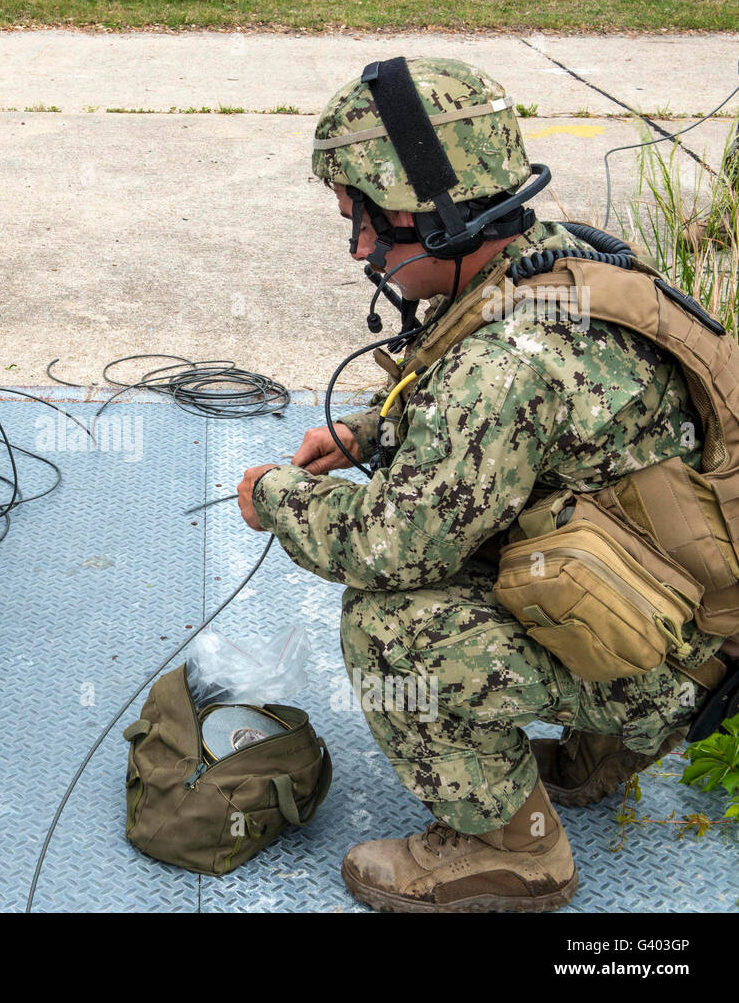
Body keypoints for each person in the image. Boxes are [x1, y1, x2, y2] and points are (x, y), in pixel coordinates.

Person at [235, 57, 733, 912]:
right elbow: (515, 427)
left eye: (362, 221)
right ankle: (593, 757)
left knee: (389, 623)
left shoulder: (505, 365)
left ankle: (512, 852)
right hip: (698, 621)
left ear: (424, 217)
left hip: (678, 663)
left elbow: (391, 545)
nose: (358, 247)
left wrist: (276, 497)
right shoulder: (558, 267)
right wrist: (366, 434)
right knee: (517, 532)